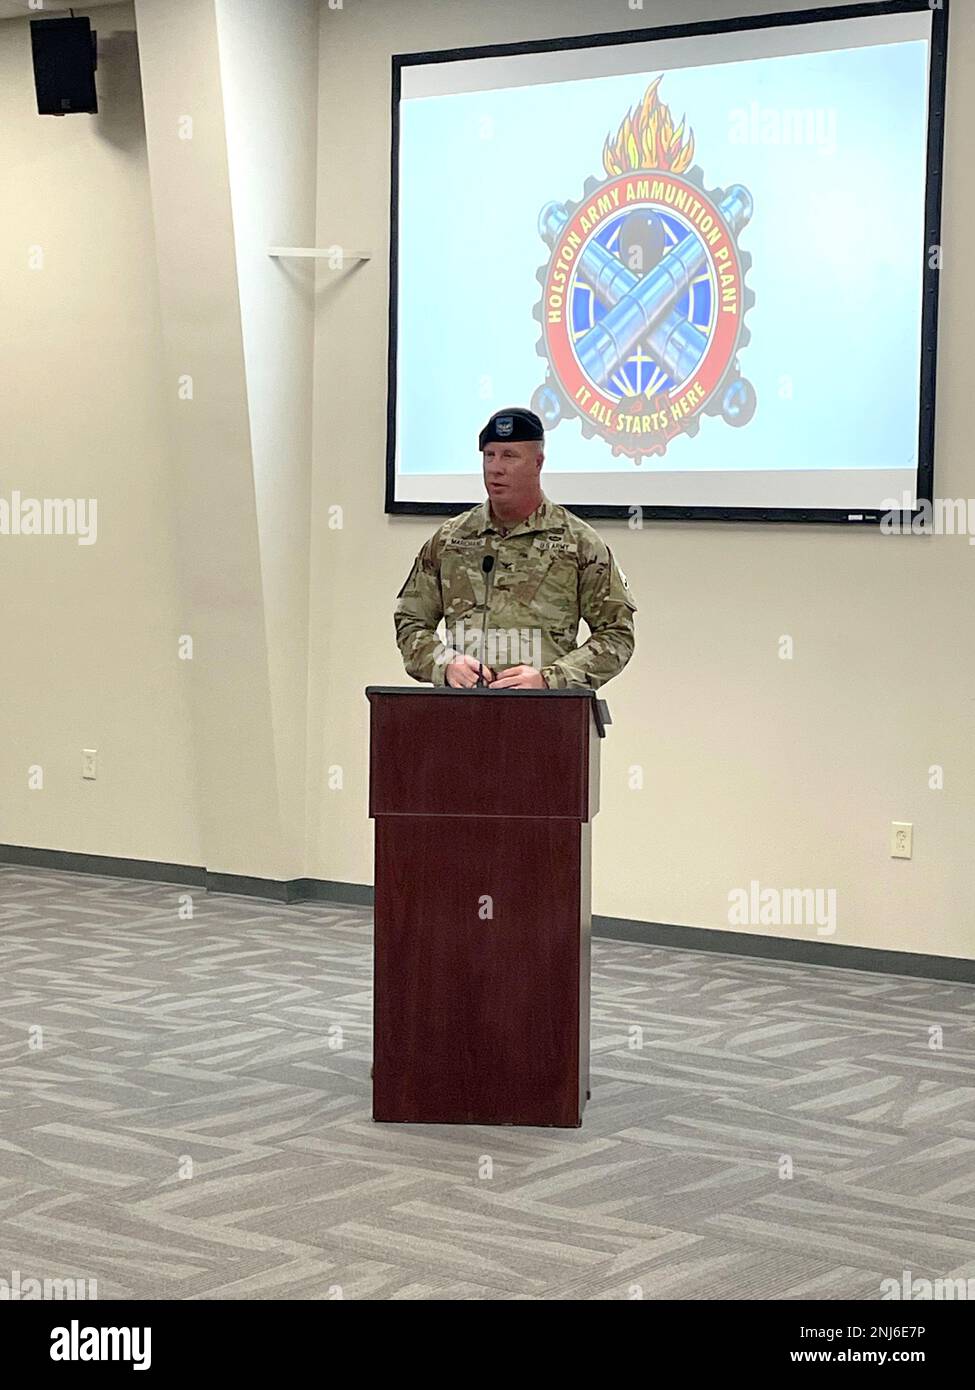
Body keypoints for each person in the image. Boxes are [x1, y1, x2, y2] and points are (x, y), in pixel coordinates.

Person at [394, 407, 636, 689]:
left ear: (538, 462)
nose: (496, 467)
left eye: (509, 456)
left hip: (545, 717)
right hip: (462, 712)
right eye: (489, 455)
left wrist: (551, 680)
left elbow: (616, 634)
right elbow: (411, 621)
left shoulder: (578, 543)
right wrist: (445, 665)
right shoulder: (451, 539)